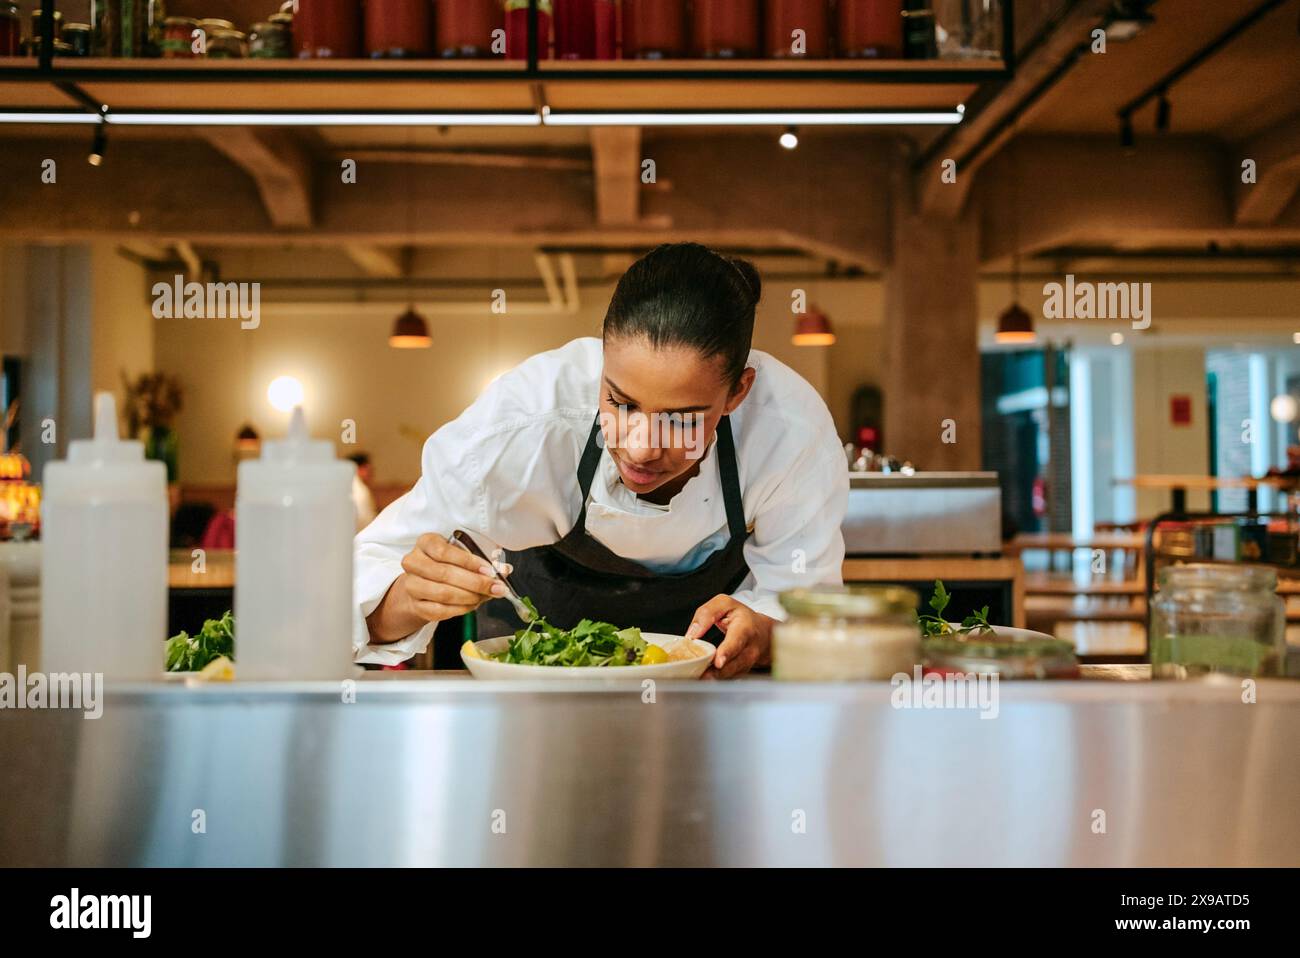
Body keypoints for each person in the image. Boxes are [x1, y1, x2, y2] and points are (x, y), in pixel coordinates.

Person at [354, 243, 848, 678]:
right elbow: (354, 587)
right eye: (621, 402)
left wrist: (766, 631)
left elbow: (810, 609)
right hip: (528, 697)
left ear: (737, 393)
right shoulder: (523, 424)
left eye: (681, 419)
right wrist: (406, 600)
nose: (640, 448)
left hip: (706, 702)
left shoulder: (790, 436)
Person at [349, 452, 378, 531]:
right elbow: (366, 521)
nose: (371, 473)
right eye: (368, 469)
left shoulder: (349, 484)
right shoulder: (360, 490)